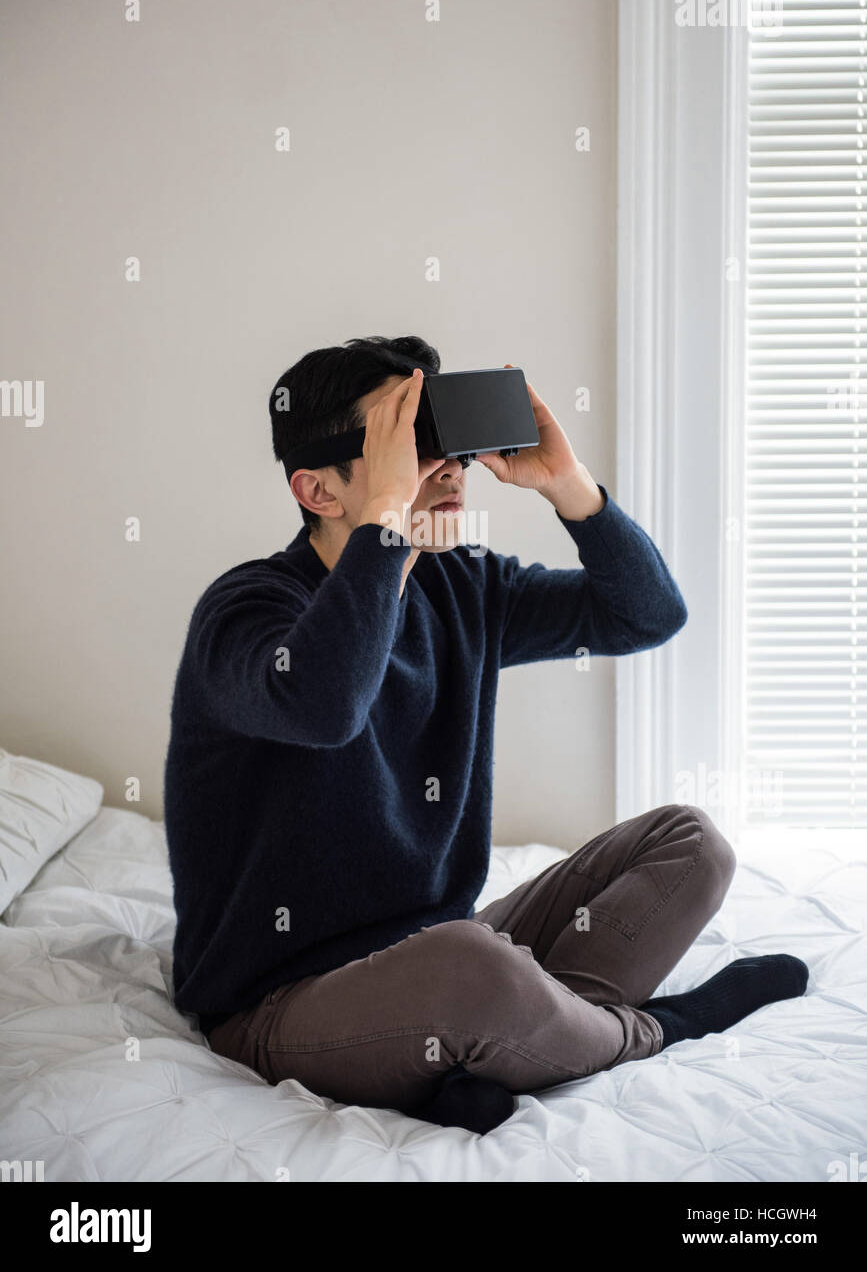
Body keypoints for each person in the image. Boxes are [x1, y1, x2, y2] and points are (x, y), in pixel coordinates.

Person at [163, 335, 808, 1135]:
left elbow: (647, 614)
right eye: (405, 448)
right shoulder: (244, 613)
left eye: (441, 442)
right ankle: (651, 1029)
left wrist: (568, 487)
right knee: (471, 971)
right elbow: (326, 705)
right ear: (318, 490)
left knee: (690, 842)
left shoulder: (462, 585)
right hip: (280, 1001)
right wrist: (390, 527)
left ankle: (500, 1049)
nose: (447, 470)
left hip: (441, 946)